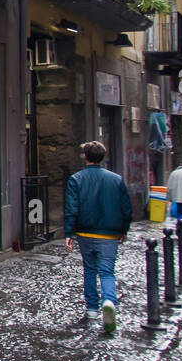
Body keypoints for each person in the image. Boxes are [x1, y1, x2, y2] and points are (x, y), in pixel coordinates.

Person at [64, 140, 133, 333]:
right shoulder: (116, 180)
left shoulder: (76, 179)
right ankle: (109, 301)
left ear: (85, 156)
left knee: (89, 269)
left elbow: (71, 208)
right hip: (109, 234)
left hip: (85, 232)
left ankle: (92, 309)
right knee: (107, 271)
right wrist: (124, 230)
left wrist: (68, 233)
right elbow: (126, 209)